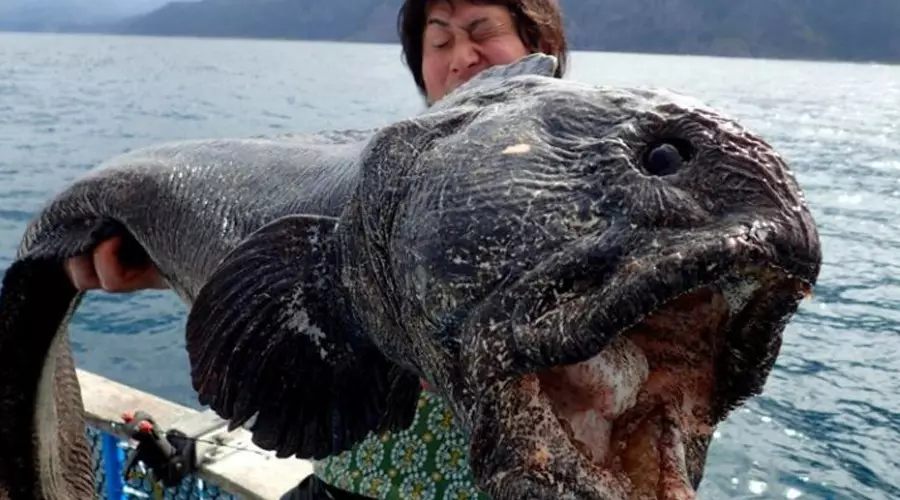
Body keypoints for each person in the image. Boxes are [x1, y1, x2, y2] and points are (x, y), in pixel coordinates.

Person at [67, 1, 569, 498]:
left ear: (541, 46)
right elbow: (303, 286)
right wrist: (163, 263)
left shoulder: (588, 190)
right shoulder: (373, 184)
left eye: (482, 31)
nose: (461, 56)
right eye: (438, 42)